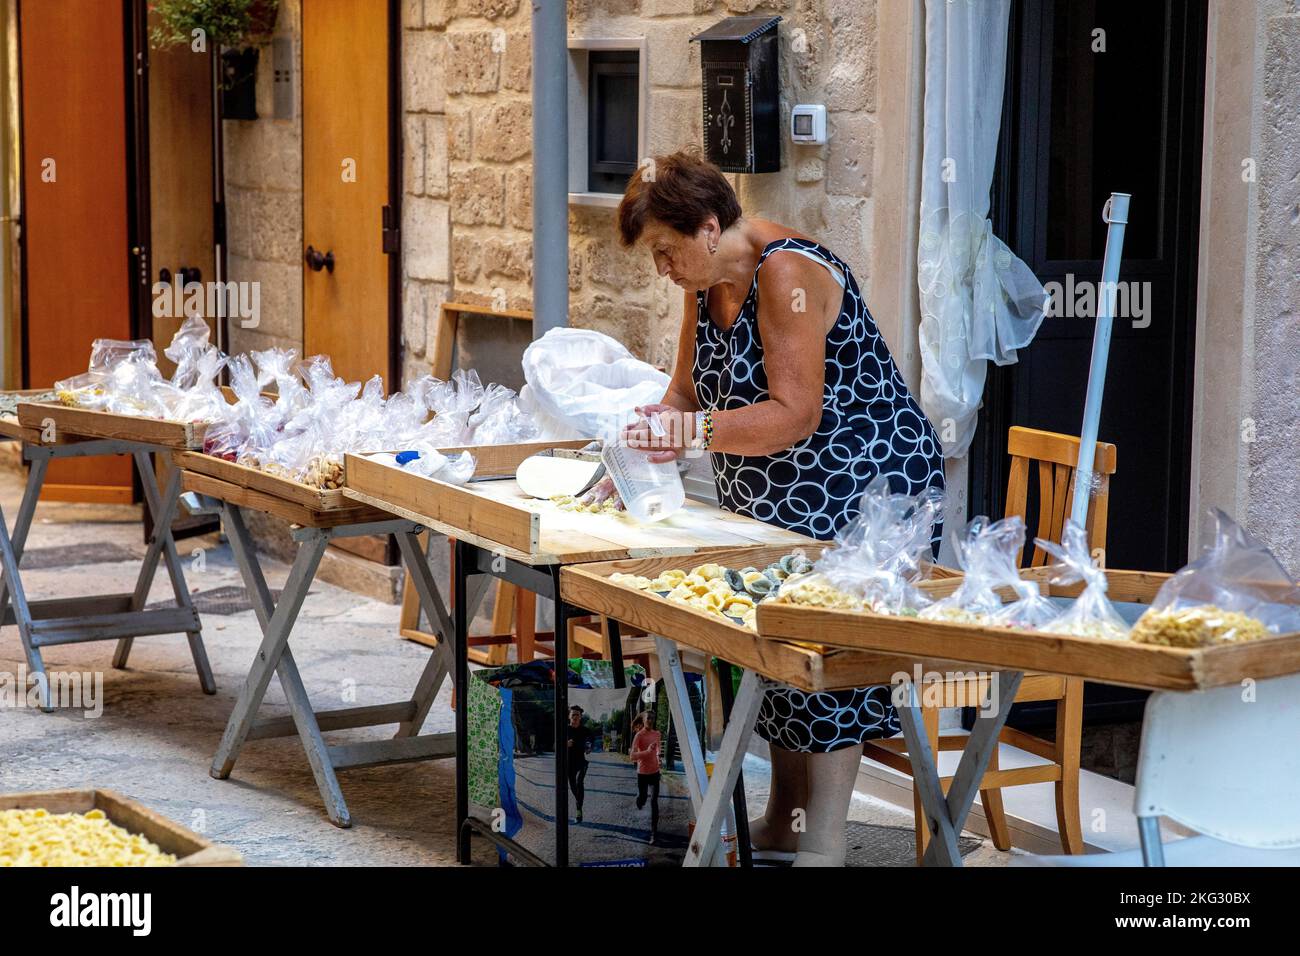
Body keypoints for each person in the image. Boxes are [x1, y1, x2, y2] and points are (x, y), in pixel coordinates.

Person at [596, 149, 945, 866]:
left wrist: (687, 435)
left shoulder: (787, 271)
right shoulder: (704, 283)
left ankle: (825, 840)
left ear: (707, 228)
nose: (662, 270)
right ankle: (785, 816)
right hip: (780, 484)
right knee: (767, 632)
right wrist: (629, 455)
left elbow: (794, 413)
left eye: (665, 252)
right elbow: (686, 394)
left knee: (824, 642)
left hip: (864, 479)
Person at [629, 713, 662, 844]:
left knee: (654, 802)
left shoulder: (657, 734)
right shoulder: (639, 735)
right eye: (648, 718)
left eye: (652, 718)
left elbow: (658, 748)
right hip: (642, 773)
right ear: (643, 720)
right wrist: (648, 752)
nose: (650, 720)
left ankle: (654, 833)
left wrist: (659, 757)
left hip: (655, 772)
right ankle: (640, 799)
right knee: (643, 798)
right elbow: (632, 756)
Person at [565, 705, 591, 823]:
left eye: (577, 715)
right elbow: (554, 747)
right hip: (568, 764)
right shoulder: (564, 730)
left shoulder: (585, 731)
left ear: (580, 717)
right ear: (569, 716)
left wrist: (588, 747)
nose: (575, 717)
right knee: (574, 788)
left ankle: (578, 811)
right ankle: (579, 803)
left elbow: (590, 742)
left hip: (581, 762)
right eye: (573, 714)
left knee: (578, 782)